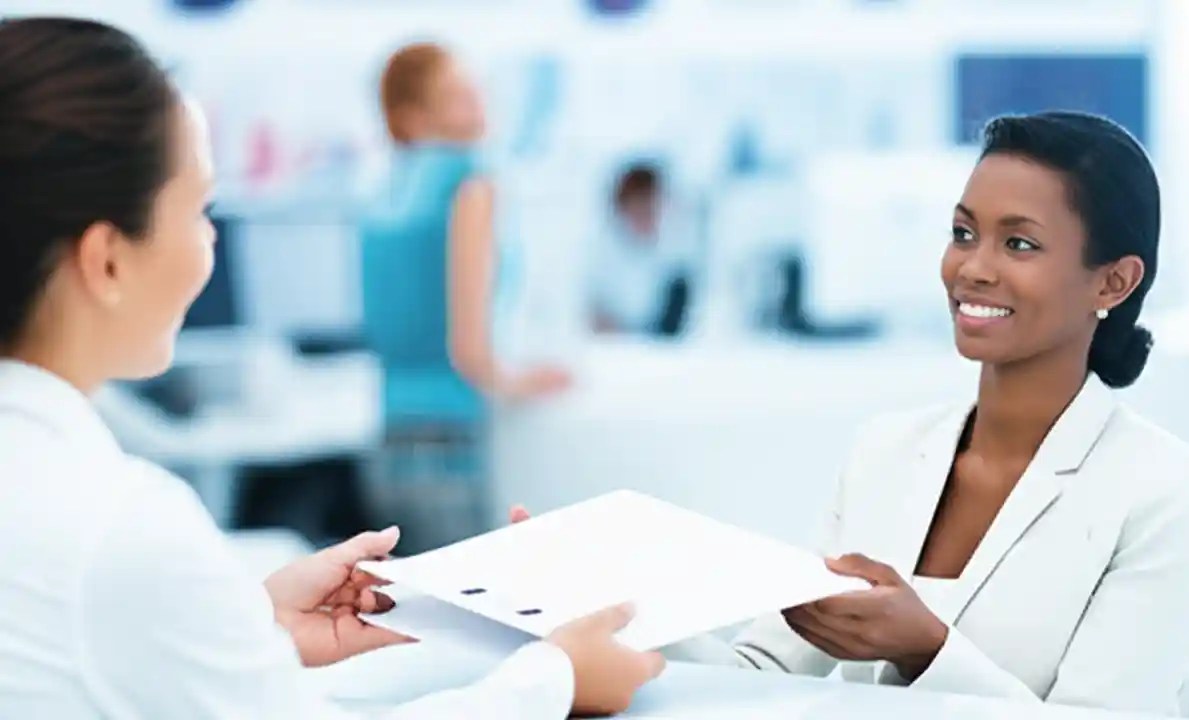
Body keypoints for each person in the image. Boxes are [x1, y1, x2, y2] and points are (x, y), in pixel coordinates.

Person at [0, 17, 661, 718]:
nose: (212, 240)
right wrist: (554, 678)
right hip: (450, 428)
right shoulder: (122, 529)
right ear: (106, 261)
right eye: (200, 208)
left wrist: (250, 623)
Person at [664, 112, 1189, 715]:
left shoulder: (1159, 488)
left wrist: (926, 651)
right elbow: (757, 674)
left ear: (1113, 283)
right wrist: (595, 602)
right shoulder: (886, 450)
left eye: (1019, 243)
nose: (972, 268)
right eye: (963, 233)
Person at [361, 42, 570, 401]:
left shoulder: (384, 192)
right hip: (455, 418)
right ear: (412, 118)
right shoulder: (470, 181)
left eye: (476, 86)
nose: (478, 101)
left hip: (392, 409)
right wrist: (523, 384)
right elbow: (470, 352)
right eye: (455, 95)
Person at [589, 163, 694, 337]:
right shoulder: (599, 257)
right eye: (639, 206)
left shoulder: (676, 259)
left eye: (652, 207)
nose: (647, 215)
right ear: (623, 208)